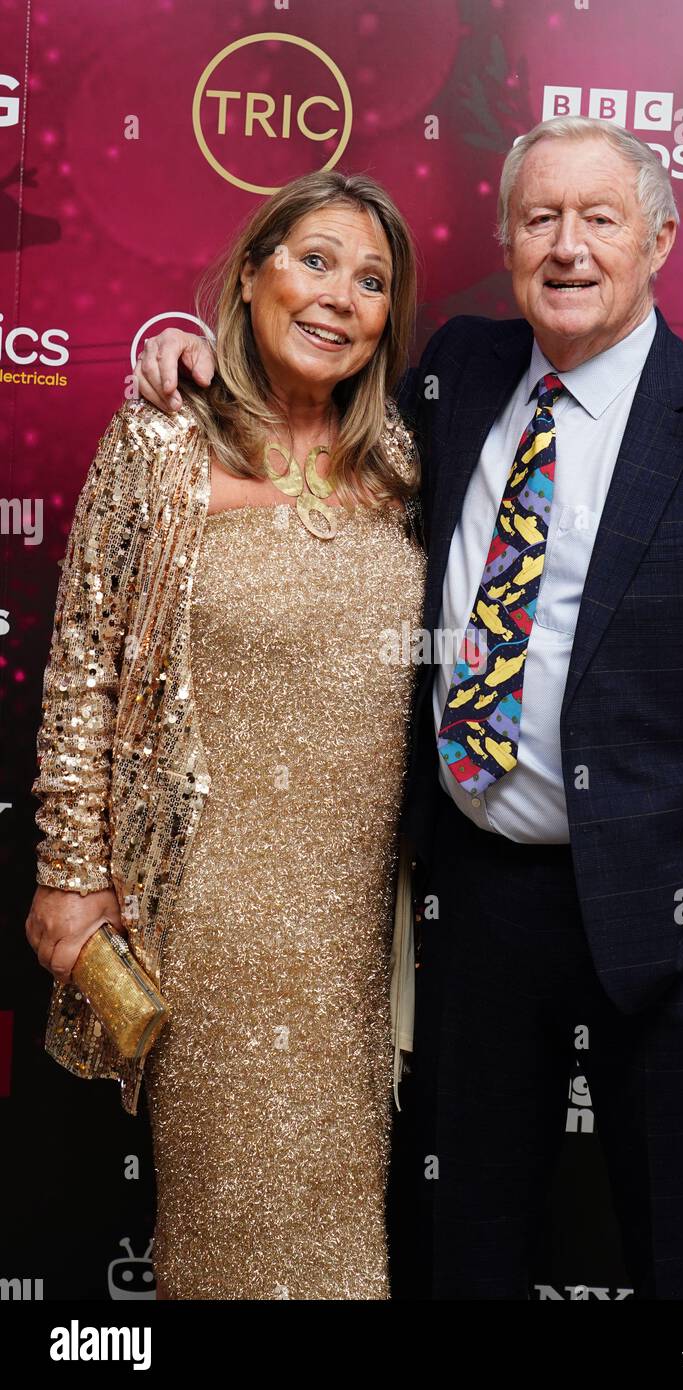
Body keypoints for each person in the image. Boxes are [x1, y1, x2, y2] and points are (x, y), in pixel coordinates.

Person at [135, 115, 683, 1300]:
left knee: (680, 1261)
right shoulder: (457, 373)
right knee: (471, 1247)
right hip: (478, 907)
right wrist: (173, 341)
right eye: (540, 219)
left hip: (666, 920)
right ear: (509, 240)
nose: (568, 247)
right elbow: (300, 376)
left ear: (660, 239)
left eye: (600, 219)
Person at [25, 170, 426, 1300]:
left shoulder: (402, 459)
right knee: (223, 1216)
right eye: (314, 260)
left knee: (346, 1214)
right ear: (248, 275)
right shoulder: (158, 447)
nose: (341, 296)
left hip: (354, 923)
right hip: (209, 912)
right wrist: (71, 874)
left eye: (373, 279)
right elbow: (84, 670)